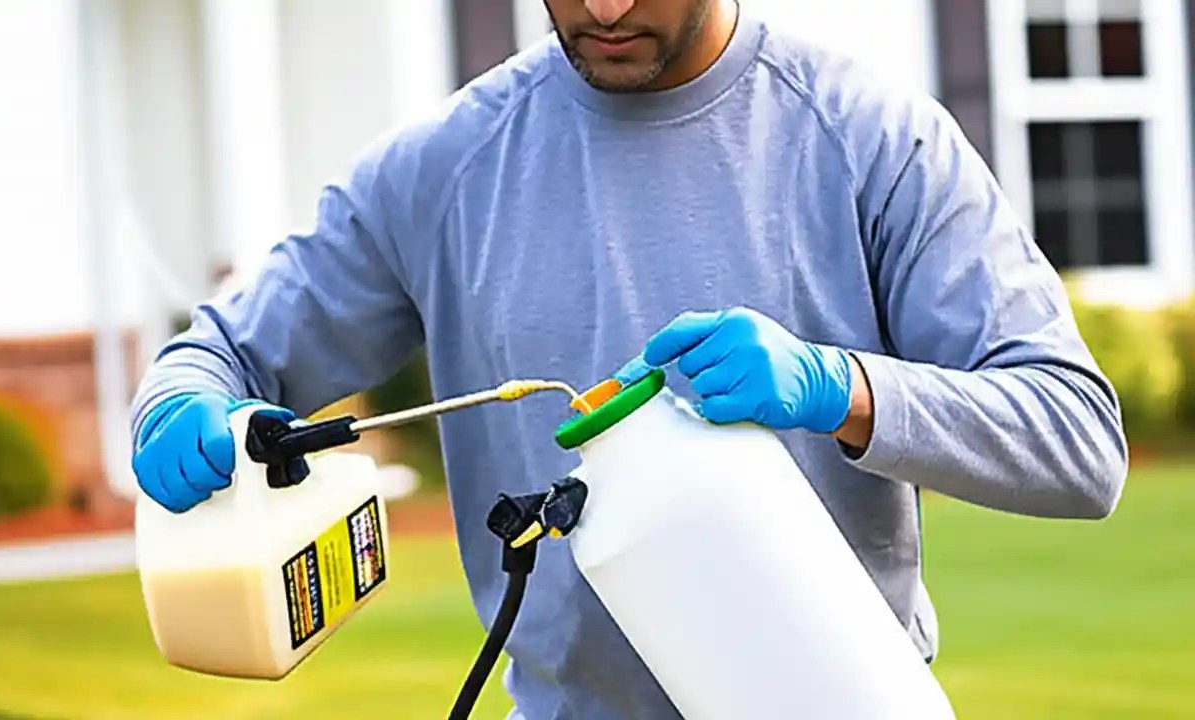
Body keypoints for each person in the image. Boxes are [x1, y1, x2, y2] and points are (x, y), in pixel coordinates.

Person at [129, 0, 1128, 716]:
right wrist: (180, 405)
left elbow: (1077, 444)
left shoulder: (873, 139)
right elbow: (219, 353)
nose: (602, 7)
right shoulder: (444, 167)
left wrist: (842, 389)